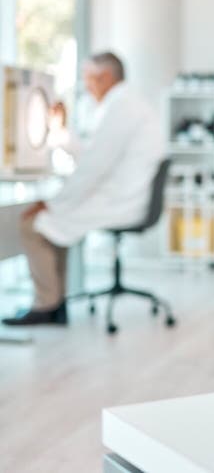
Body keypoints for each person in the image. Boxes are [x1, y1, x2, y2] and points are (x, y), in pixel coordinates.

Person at [3, 52, 165, 326]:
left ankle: (46, 305)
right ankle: (55, 302)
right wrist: (62, 131)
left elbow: (94, 168)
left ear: (105, 77)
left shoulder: (122, 107)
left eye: (87, 78)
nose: (85, 86)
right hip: (123, 195)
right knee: (53, 222)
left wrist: (54, 203)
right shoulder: (124, 105)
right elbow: (92, 156)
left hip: (121, 200)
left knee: (34, 223)